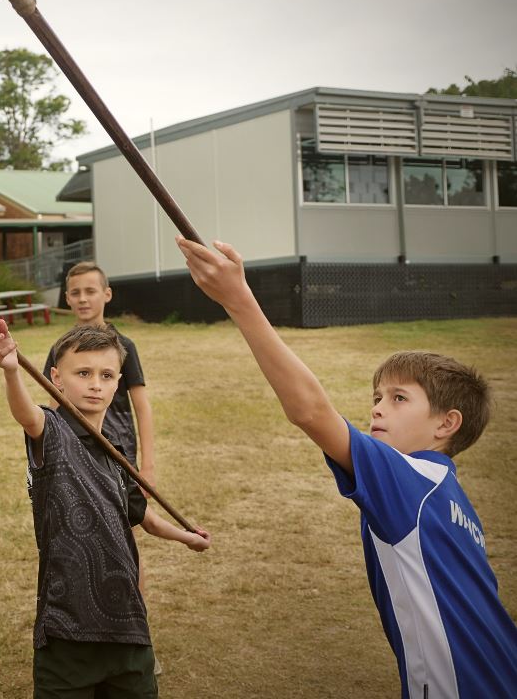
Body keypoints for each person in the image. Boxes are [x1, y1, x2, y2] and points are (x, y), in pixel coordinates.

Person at [175, 236, 517, 698]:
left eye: (398, 399)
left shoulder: (411, 482)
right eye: (377, 397)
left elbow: (311, 412)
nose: (377, 409)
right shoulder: (452, 499)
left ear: (446, 424)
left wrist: (239, 300)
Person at [0, 320, 210, 698]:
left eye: (106, 374)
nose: (96, 384)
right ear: (56, 377)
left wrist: (186, 537)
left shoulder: (116, 450)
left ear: (118, 382)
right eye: (83, 373)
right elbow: (26, 414)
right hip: (68, 629)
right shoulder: (52, 432)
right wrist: (10, 370)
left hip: (128, 628)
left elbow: (140, 515)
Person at [43, 262, 155, 484]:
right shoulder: (61, 349)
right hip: (74, 447)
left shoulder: (124, 347)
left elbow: (142, 407)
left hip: (119, 451)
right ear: (67, 298)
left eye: (90, 291)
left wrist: (148, 466)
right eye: (76, 293)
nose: (83, 299)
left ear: (107, 294)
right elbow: (54, 404)